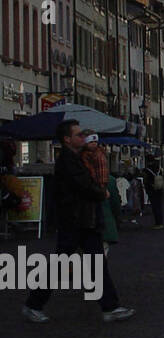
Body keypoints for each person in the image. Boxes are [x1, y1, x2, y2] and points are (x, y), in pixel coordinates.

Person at [23, 120, 134, 323]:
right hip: (76, 220)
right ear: (67, 139)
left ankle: (110, 307)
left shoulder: (76, 158)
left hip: (84, 220)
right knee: (64, 264)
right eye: (78, 135)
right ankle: (33, 304)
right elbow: (83, 185)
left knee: (95, 264)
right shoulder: (68, 160)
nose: (83, 138)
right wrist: (101, 193)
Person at [142, 157, 164, 229]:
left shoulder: (146, 170)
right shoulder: (159, 169)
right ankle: (160, 222)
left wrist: (147, 187)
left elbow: (146, 181)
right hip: (159, 189)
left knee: (155, 207)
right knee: (159, 206)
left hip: (152, 190)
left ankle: (158, 223)